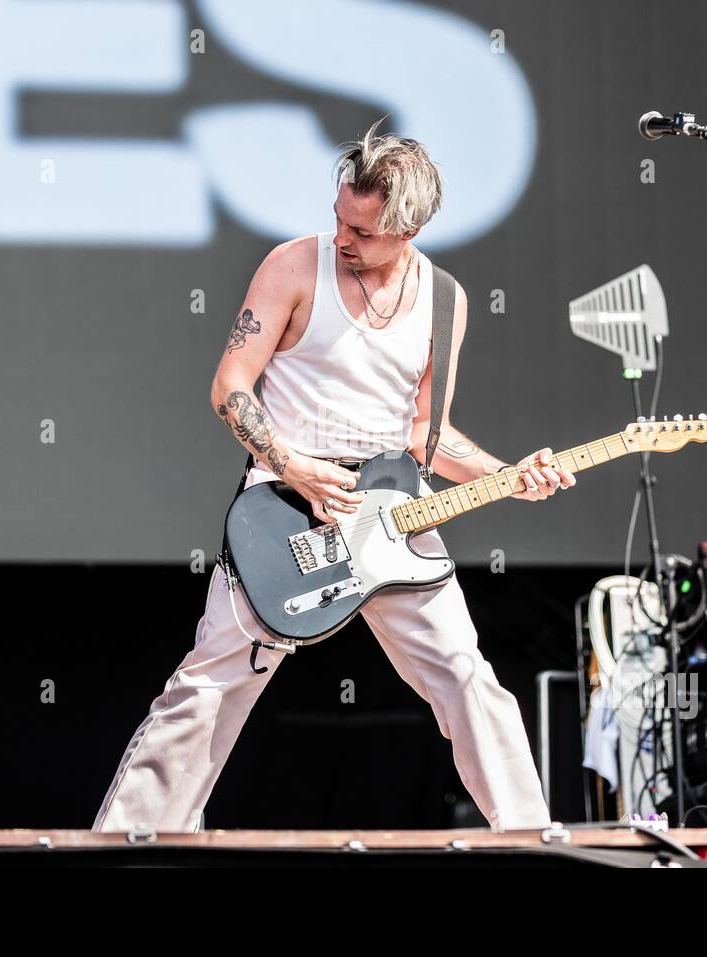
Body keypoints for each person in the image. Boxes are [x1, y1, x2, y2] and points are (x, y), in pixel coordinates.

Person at [92, 119, 574, 834]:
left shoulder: (446, 300)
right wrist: (294, 465)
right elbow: (231, 386)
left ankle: (533, 842)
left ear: (407, 228)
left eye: (364, 231)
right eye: (340, 219)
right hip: (287, 508)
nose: (344, 238)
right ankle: (123, 845)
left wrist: (508, 475)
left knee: (467, 677)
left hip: (394, 517)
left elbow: (422, 434)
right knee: (208, 687)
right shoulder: (294, 266)